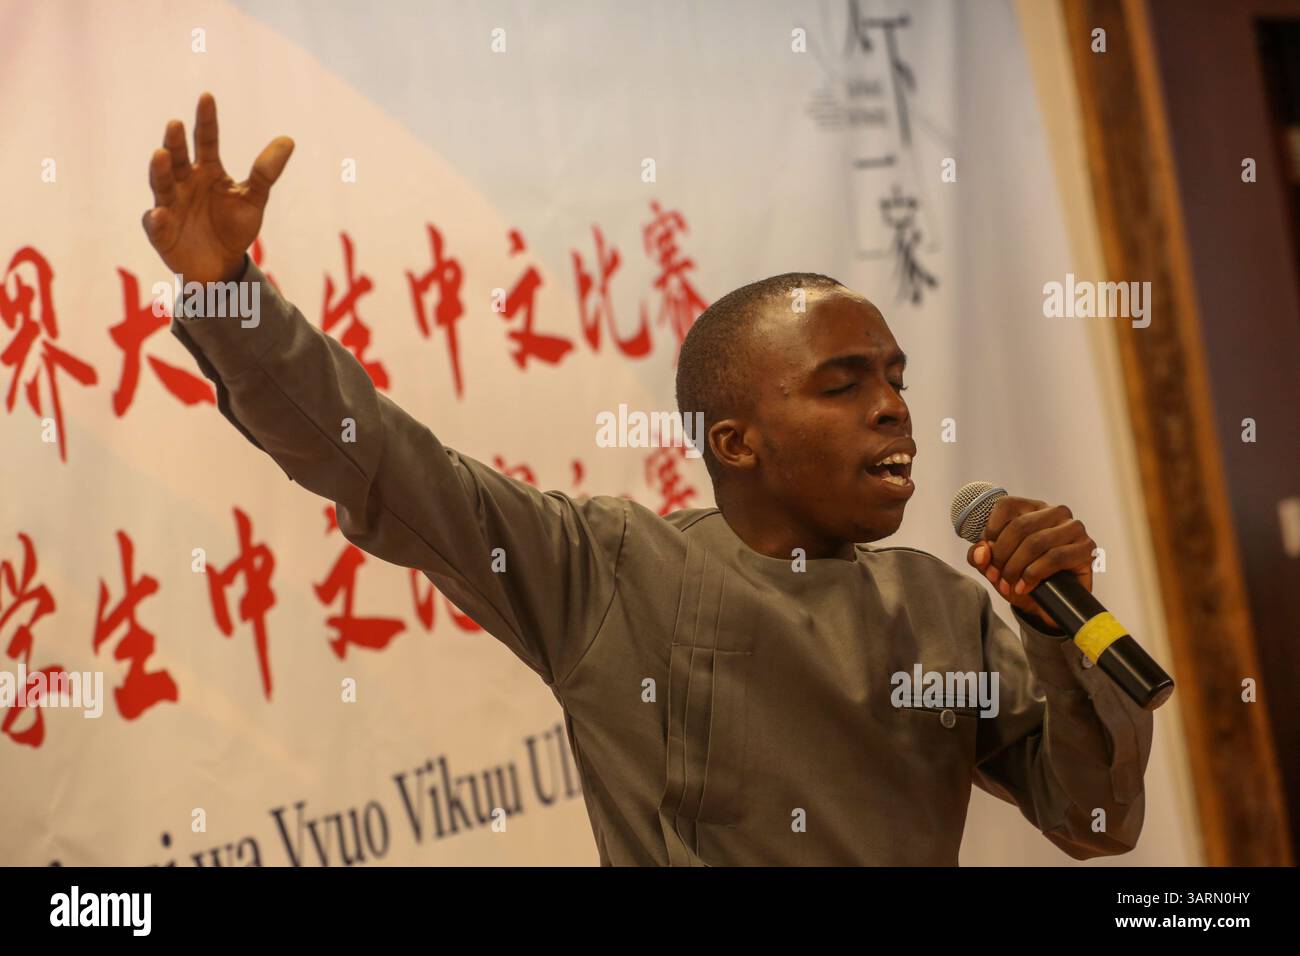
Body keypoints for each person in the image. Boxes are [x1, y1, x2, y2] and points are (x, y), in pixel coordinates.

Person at [143, 92, 1153, 866]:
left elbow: (1094, 818)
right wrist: (229, 294)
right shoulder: (611, 568)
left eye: (893, 379)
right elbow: (374, 458)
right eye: (843, 385)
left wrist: (1057, 628)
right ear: (736, 441)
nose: (890, 407)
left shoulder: (944, 607)